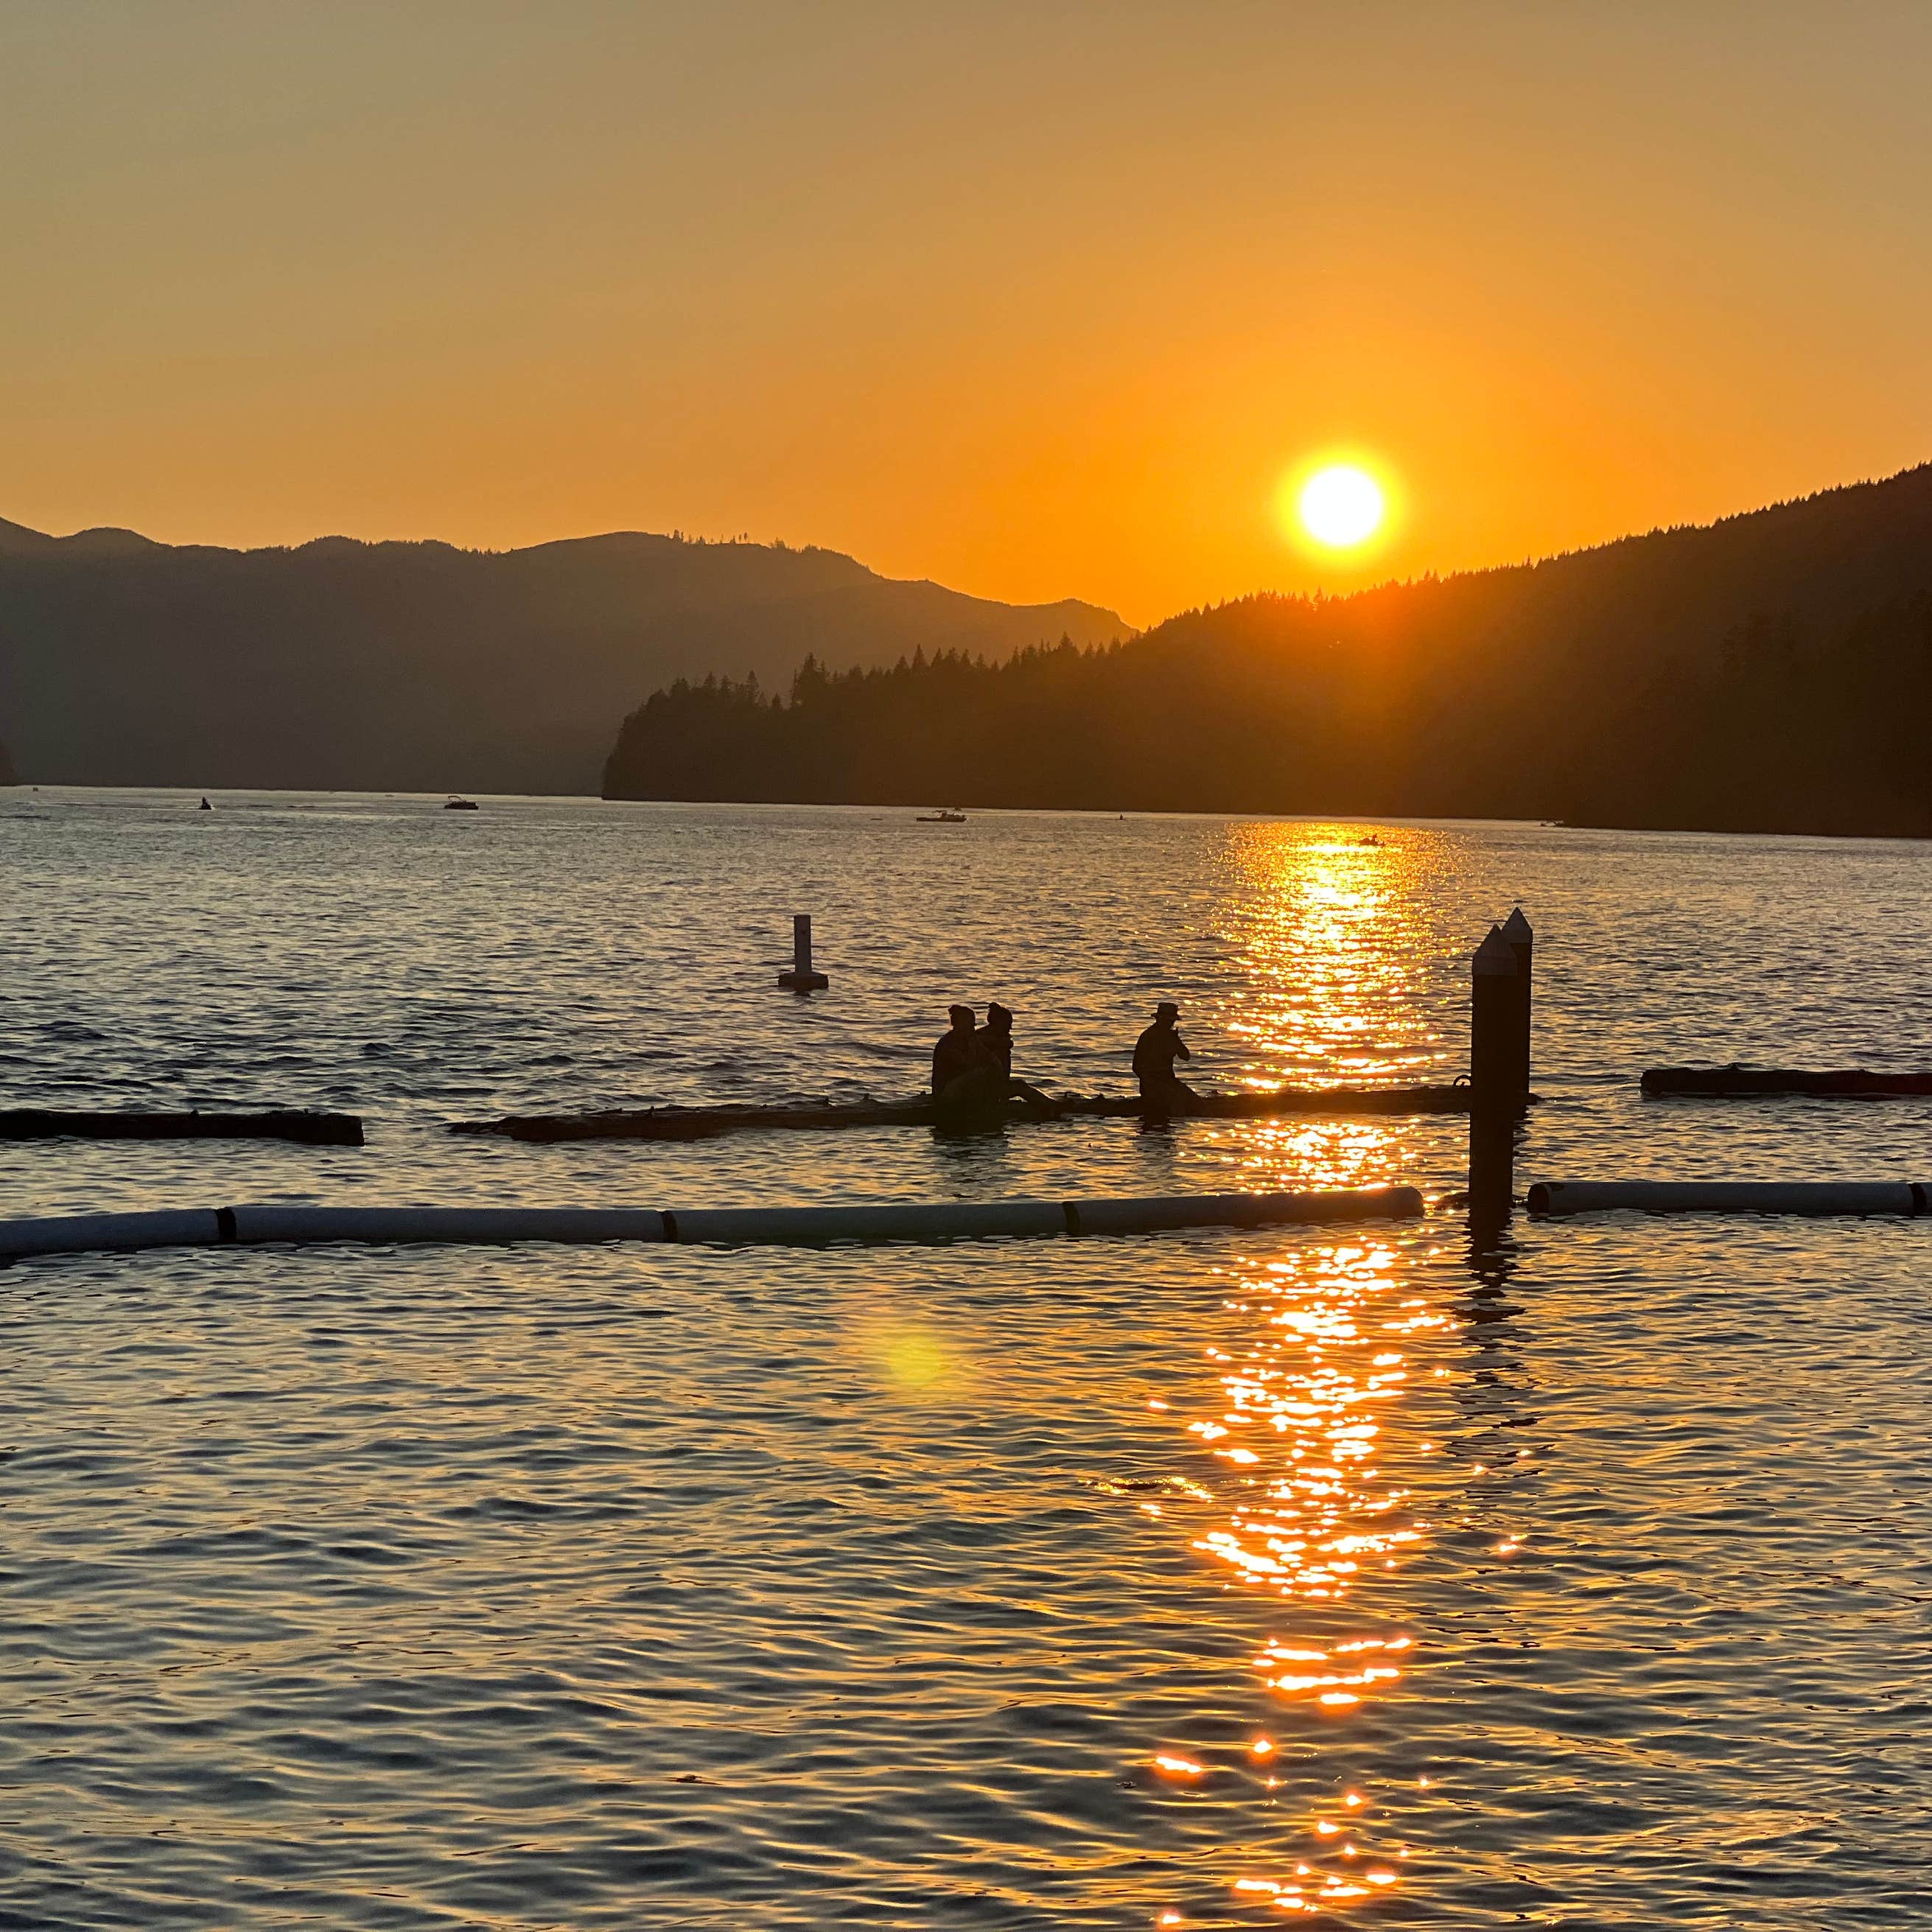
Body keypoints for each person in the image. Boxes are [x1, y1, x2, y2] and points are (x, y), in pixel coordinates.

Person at [976, 1002, 1058, 1117]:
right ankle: (1051, 1106)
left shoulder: (996, 1038)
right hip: (984, 1088)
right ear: (998, 1023)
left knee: (1020, 1084)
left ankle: (1050, 1104)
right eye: (1008, 1024)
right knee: (1020, 1086)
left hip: (994, 1085)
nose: (1010, 1028)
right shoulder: (981, 1039)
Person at [1133, 1001, 1197, 1115]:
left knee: (1196, 1102)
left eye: (1172, 1021)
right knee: (1177, 1105)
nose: (1170, 1023)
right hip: (1151, 1085)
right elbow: (1136, 1067)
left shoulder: (1171, 1038)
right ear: (1159, 1020)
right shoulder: (1148, 1036)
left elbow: (1186, 1056)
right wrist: (1152, 1084)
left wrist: (1177, 1041)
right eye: (1168, 1021)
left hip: (1169, 1082)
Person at [932, 1005, 981, 1098]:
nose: (973, 1030)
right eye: (971, 1026)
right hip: (945, 1092)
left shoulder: (966, 1040)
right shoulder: (949, 1043)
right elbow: (966, 1065)